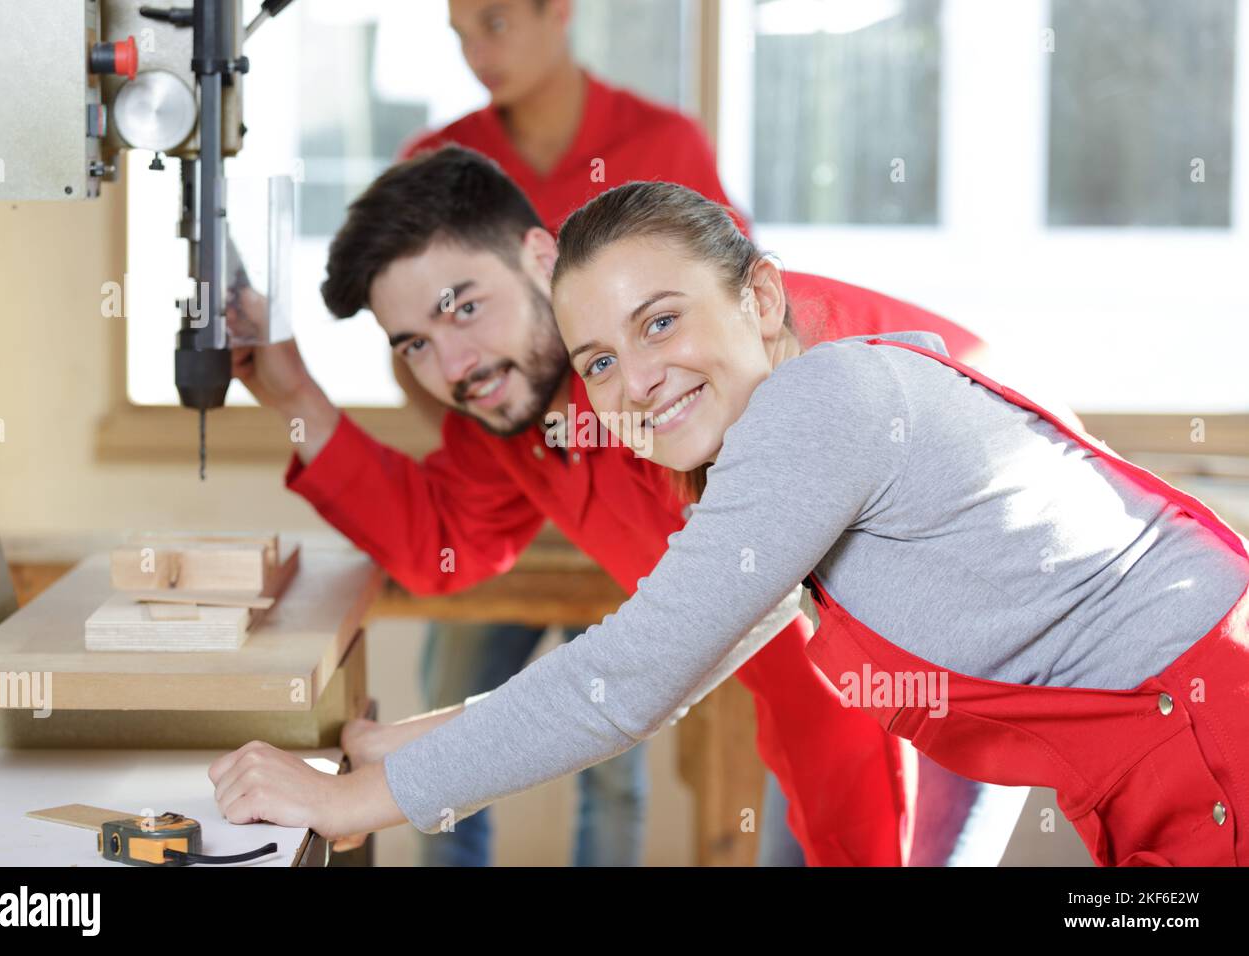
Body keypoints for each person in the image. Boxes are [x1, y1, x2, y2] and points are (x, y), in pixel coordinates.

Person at [213, 179, 1249, 867]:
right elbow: (662, 661)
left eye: (661, 321)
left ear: (759, 296)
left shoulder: (810, 403)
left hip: (1205, 748)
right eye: (603, 361)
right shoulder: (745, 426)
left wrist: (349, 802)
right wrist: (412, 747)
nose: (637, 379)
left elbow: (626, 680)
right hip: (1147, 762)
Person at [388, 0, 751, 866]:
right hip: (506, 517)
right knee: (450, 749)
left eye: (495, 23)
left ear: (561, 10)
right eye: (460, 34)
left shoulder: (667, 144)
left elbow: (733, 332)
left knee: (610, 752)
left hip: (645, 517)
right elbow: (411, 354)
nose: (479, 52)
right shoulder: (435, 164)